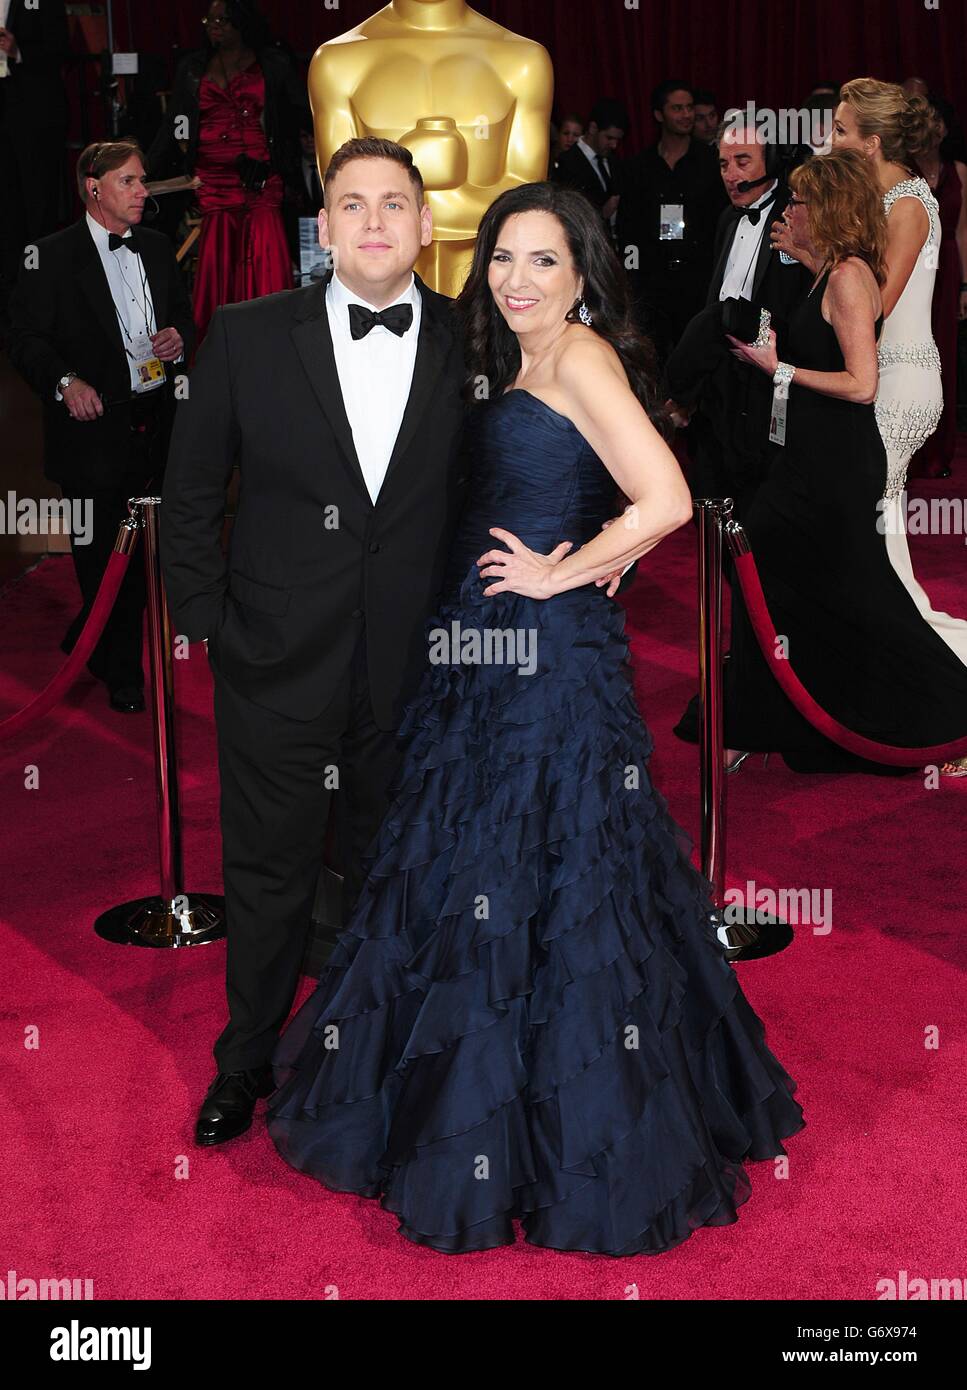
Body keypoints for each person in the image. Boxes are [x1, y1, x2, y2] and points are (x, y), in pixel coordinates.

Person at [266, 180, 805, 1257]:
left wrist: (571, 575)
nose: (517, 280)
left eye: (543, 262)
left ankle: (573, 1133)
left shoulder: (584, 358)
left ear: (582, 273)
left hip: (544, 659)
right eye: (503, 260)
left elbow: (664, 496)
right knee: (483, 861)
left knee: (550, 869)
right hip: (479, 647)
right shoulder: (516, 361)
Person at [160, 137, 474, 1147]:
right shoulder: (248, 335)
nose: (375, 220)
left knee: (400, 866)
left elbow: (494, 494)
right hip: (274, 664)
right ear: (324, 225)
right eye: (352, 203)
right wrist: (212, 627)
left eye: (394, 202)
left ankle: (385, 1054)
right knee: (266, 870)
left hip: (416, 670)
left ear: (426, 224)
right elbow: (192, 492)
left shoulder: (475, 342)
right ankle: (246, 1056)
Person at [724, 150, 967, 775]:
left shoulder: (849, 277)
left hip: (834, 467)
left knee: (852, 593)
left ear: (825, 209)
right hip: (812, 457)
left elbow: (862, 384)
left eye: (800, 202)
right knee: (808, 586)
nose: (791, 210)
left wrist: (779, 368)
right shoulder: (829, 271)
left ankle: (949, 713)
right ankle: (778, 718)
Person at [8, 141, 194, 712]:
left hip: (156, 423)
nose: (144, 192)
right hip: (91, 433)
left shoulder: (160, 248)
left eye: (144, 181)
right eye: (131, 182)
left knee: (150, 557)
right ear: (95, 188)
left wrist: (178, 338)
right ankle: (121, 671)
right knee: (100, 557)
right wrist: (66, 384)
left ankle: (94, 641)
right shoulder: (47, 255)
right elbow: (25, 340)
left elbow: (182, 317)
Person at [665, 120, 811, 515]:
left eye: (742, 161)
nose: (731, 175)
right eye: (724, 164)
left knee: (758, 502)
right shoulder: (728, 218)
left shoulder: (799, 216)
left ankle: (670, 397)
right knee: (709, 495)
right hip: (720, 376)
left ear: (774, 161)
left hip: (768, 377)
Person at [147, 0, 307, 344]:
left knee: (265, 254)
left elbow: (299, 114)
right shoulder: (193, 67)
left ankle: (273, 346)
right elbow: (174, 124)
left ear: (241, 23)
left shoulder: (272, 63)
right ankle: (217, 349)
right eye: (209, 19)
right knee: (218, 260)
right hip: (213, 179)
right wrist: (144, 169)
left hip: (261, 178)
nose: (214, 25)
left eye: (223, 20)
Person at [615, 80, 728, 362]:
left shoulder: (712, 162)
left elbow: (723, 221)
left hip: (699, 281)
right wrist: (632, 278)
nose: (687, 115)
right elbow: (627, 228)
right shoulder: (638, 167)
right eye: (677, 108)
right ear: (659, 114)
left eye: (689, 108)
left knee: (698, 356)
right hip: (652, 283)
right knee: (651, 357)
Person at [0, 0, 69, 324]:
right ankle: (10, 308)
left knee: (36, 209)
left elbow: (60, 49)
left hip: (32, 114)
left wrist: (18, 51)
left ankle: (41, 304)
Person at [908, 99, 967, 479]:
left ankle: (938, 452)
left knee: (944, 359)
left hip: (947, 273)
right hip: (912, 267)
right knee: (913, 356)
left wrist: (964, 285)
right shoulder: (901, 172)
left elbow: (962, 232)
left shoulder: (959, 170)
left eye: (938, 121)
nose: (933, 128)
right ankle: (909, 450)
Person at [551, 98, 627, 242]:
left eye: (618, 140)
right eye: (609, 138)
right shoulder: (566, 163)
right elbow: (565, 214)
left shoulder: (615, 160)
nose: (614, 145)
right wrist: (601, 214)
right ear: (593, 128)